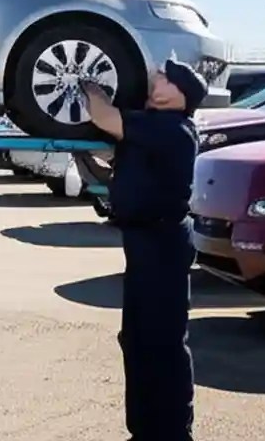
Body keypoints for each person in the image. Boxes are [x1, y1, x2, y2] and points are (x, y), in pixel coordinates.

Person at [80, 58, 207, 441]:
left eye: (167, 77)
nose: (158, 79)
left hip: (161, 244)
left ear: (179, 94)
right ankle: (146, 430)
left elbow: (105, 117)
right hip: (146, 243)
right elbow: (114, 153)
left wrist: (89, 87)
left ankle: (170, 432)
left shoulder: (172, 129)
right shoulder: (153, 130)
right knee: (137, 340)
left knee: (161, 342)